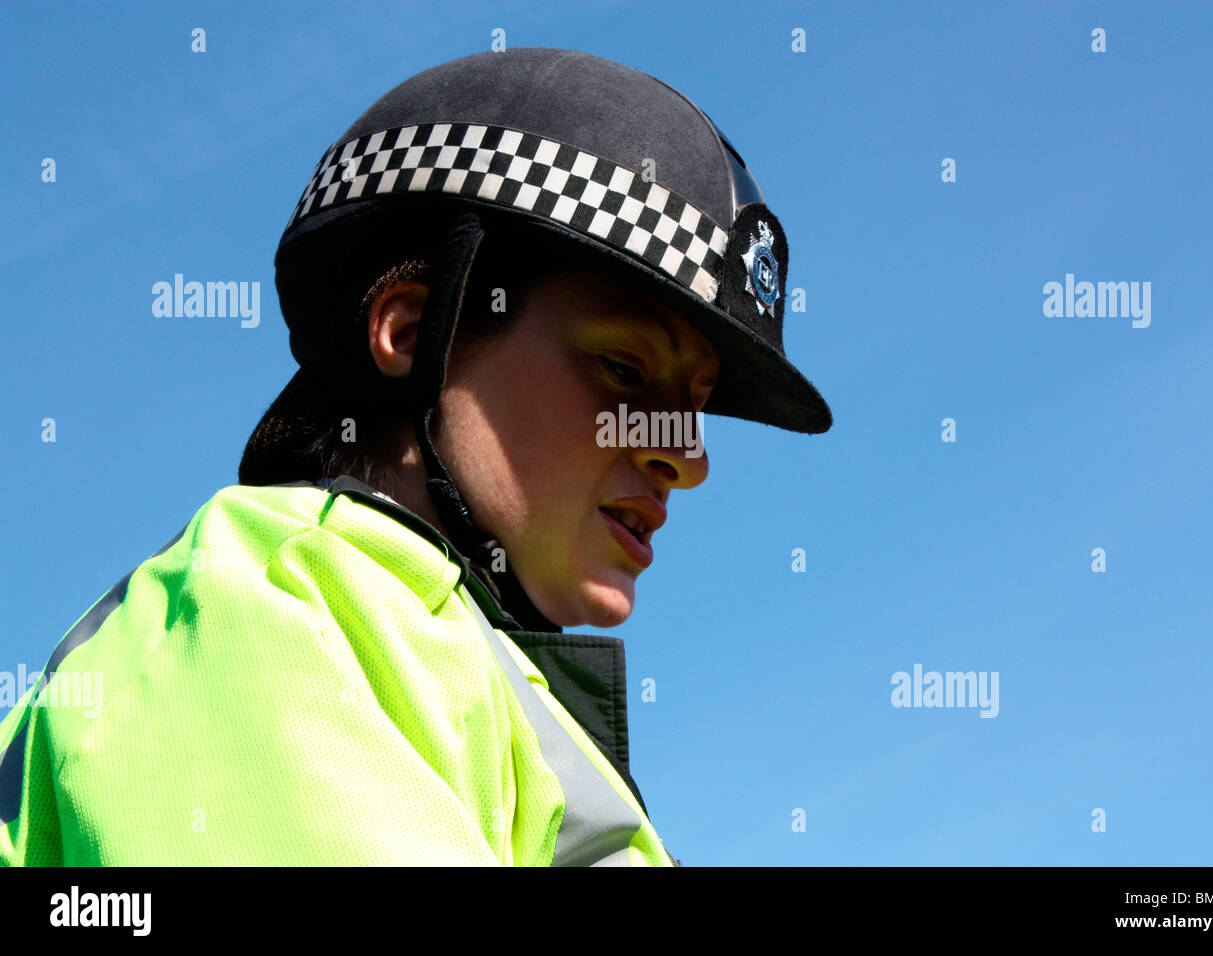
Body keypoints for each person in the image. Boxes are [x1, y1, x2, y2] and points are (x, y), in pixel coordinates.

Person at [0, 47, 831, 866]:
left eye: (693, 407)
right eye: (624, 370)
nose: (686, 459)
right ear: (408, 333)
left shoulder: (495, 690)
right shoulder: (277, 599)